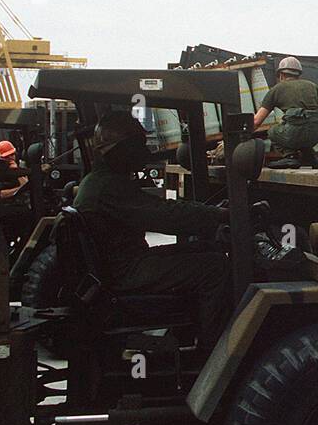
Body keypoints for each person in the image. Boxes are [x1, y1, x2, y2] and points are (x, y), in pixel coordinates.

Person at [72, 110, 233, 333]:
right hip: (127, 272)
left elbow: (158, 210)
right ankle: (215, 348)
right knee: (215, 267)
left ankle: (191, 332)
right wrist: (219, 215)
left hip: (122, 265)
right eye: (139, 144)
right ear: (122, 149)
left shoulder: (102, 181)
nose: (145, 151)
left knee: (206, 248)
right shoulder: (108, 187)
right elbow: (165, 216)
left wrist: (209, 213)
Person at [253, 56, 318, 169]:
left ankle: (290, 157)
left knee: (272, 131)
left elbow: (257, 121)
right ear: (298, 74)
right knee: (301, 131)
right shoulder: (312, 85)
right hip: (317, 134)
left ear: (281, 75)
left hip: (295, 134)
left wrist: (243, 137)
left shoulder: (276, 90)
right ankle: (311, 157)